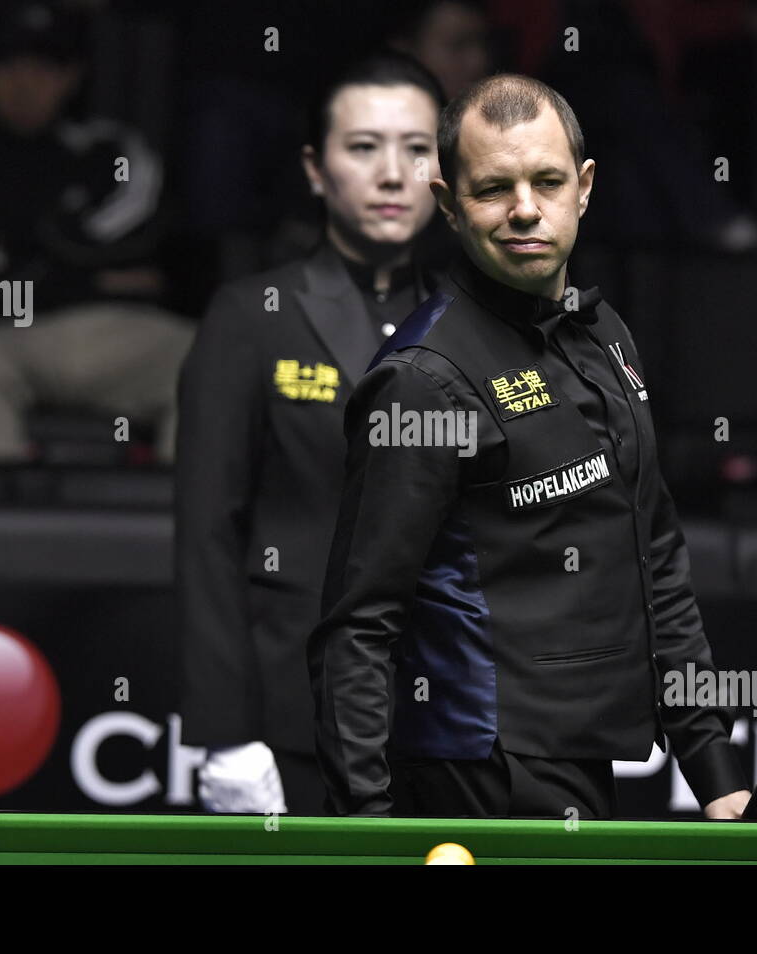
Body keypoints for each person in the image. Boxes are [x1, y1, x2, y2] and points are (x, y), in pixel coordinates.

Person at [308, 73, 751, 819]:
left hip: (581, 762)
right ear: (449, 205)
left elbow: (658, 560)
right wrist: (365, 832)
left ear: (583, 188)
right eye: (493, 189)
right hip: (476, 775)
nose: (524, 210)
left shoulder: (606, 336)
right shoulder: (422, 382)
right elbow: (359, 623)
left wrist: (716, 772)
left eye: (546, 182)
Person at [176, 53, 448, 815]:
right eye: (363, 147)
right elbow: (207, 534)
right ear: (315, 168)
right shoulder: (250, 317)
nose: (392, 173)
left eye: (417, 148)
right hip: (293, 720)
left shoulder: (478, 322)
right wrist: (225, 733)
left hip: (449, 724)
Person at [0, 1, 191, 464]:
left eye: (45, 68)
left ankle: (178, 527)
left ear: (72, 76)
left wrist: (18, 265)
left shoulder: (116, 154)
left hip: (115, 334)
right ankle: (3, 521)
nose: (25, 84)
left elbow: (143, 249)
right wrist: (87, 279)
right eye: (8, 66)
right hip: (4, 337)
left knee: (222, 358)